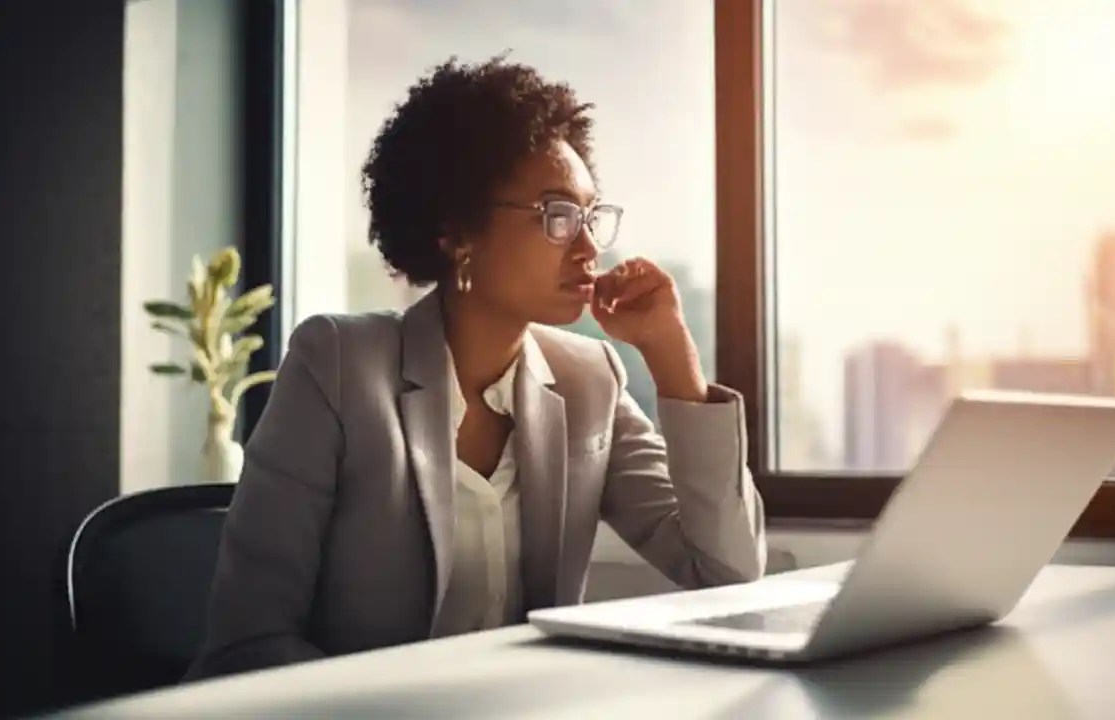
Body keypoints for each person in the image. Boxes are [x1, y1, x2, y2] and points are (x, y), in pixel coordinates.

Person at [186, 56, 766, 680]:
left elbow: (727, 574)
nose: (590, 247)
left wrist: (674, 364)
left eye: (590, 214)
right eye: (556, 214)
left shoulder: (589, 377)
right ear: (457, 229)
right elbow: (249, 643)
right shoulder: (337, 366)